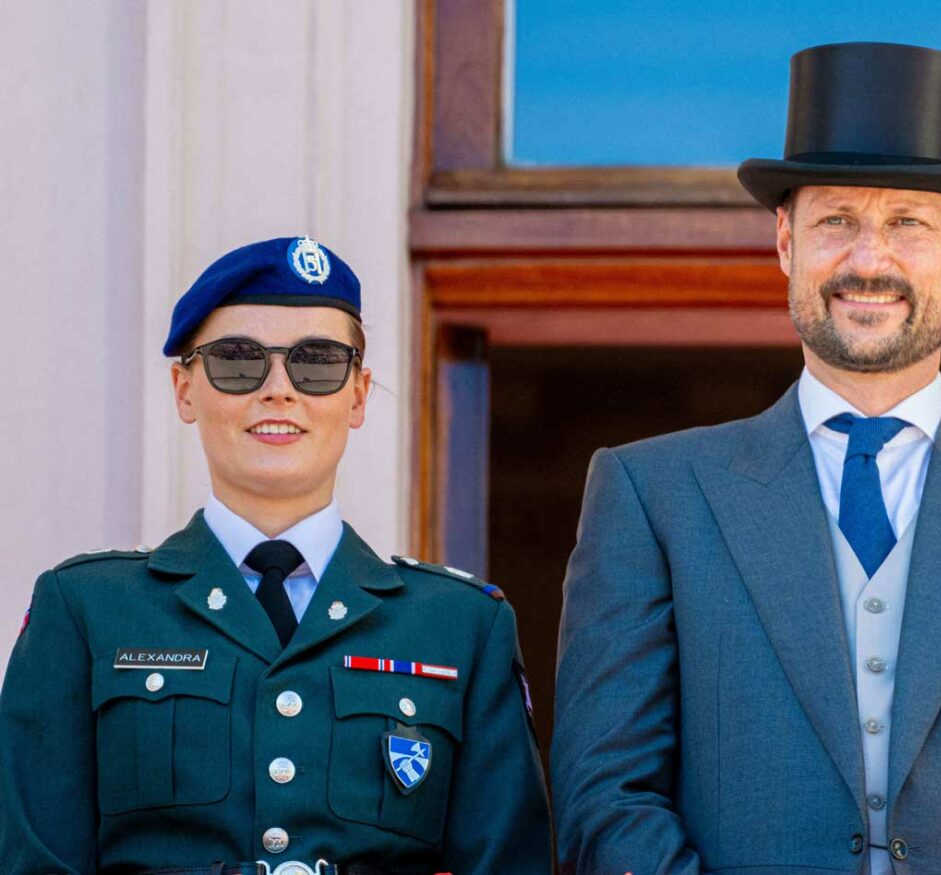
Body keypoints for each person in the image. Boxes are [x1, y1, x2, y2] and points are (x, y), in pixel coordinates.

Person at [551, 43, 941, 875]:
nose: (867, 260)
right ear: (786, 240)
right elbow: (604, 796)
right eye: (836, 220)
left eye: (907, 223)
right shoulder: (650, 495)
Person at [0, 236, 552, 875]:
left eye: (317, 363)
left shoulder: (461, 626)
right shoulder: (86, 608)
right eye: (239, 362)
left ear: (358, 395)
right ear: (185, 389)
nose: (279, 391)